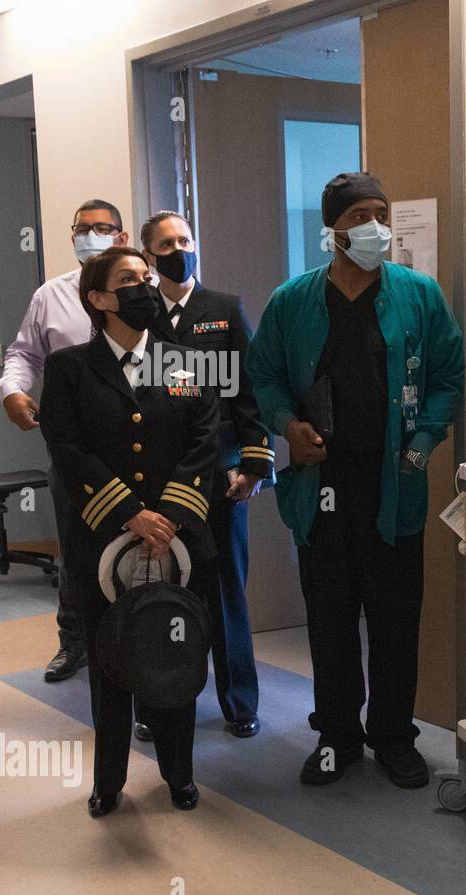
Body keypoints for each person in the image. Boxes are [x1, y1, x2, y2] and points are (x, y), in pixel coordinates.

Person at [246, 172, 464, 790]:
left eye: (381, 212)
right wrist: (288, 428)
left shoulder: (419, 295)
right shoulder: (293, 300)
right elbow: (263, 378)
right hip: (322, 483)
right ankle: (337, 736)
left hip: (394, 481)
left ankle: (394, 736)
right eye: (360, 215)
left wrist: (423, 444)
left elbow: (448, 376)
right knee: (331, 617)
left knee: (396, 619)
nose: (375, 226)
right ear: (333, 229)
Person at [39, 247, 219, 817]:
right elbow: (67, 447)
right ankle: (109, 778)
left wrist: (167, 518)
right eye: (129, 280)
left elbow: (204, 442)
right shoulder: (70, 368)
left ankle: (179, 773)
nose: (145, 285)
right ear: (99, 299)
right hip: (103, 539)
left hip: (179, 539)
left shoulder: (187, 360)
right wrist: (130, 516)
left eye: (147, 276)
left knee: (176, 652)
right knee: (111, 656)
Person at [140, 210, 273, 741]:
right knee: (159, 590)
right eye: (167, 243)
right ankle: (157, 701)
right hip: (157, 481)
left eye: (186, 239)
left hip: (220, 474)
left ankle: (239, 702)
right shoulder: (139, 314)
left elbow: (251, 389)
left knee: (224, 592)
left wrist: (255, 461)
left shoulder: (223, 308)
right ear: (150, 255)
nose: (179, 249)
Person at [0, 200, 128, 683]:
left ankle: (141, 645)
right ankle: (73, 642)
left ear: (120, 235)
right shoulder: (50, 295)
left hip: (137, 443)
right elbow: (23, 353)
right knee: (76, 545)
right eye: (82, 228)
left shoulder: (144, 289)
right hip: (72, 445)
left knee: (137, 547)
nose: (90, 236)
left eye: (102, 228)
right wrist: (12, 390)